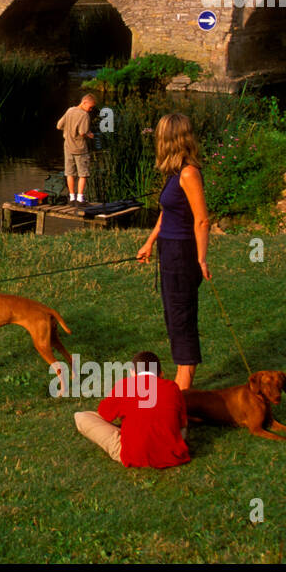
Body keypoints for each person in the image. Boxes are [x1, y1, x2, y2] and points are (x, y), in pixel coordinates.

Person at [136, 112, 211, 391]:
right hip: (169, 250)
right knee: (172, 315)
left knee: (182, 317)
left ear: (170, 139)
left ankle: (184, 389)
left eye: (160, 136)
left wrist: (201, 259)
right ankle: (181, 378)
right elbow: (166, 213)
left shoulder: (190, 173)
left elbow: (201, 219)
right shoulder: (174, 173)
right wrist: (150, 242)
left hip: (183, 253)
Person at [73, 350, 190, 469]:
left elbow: (104, 413)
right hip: (173, 455)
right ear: (161, 374)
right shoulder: (173, 387)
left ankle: (130, 436)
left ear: (132, 373)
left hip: (134, 456)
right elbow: (183, 424)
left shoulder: (125, 386)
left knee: (81, 417)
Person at [56, 94, 98, 203]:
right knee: (83, 173)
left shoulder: (69, 110)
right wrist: (90, 134)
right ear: (84, 102)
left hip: (68, 147)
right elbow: (82, 132)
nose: (91, 109)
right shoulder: (84, 115)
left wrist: (69, 130)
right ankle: (80, 198)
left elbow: (59, 126)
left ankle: (72, 196)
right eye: (90, 107)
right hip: (80, 148)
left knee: (69, 173)